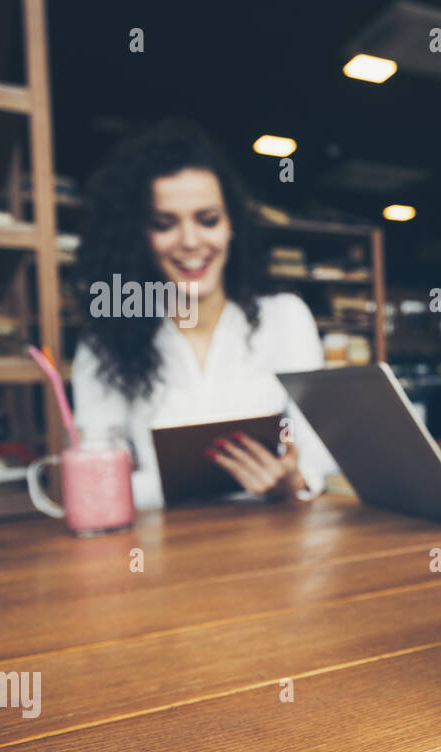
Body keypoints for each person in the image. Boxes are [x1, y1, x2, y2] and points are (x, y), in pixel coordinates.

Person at [70, 119, 336, 509]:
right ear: (139, 236)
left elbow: (319, 463)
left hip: (275, 544)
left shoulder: (287, 319)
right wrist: (220, 483)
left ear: (232, 226)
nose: (191, 242)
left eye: (208, 220)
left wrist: (291, 480)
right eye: (164, 224)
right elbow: (98, 483)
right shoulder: (106, 339)